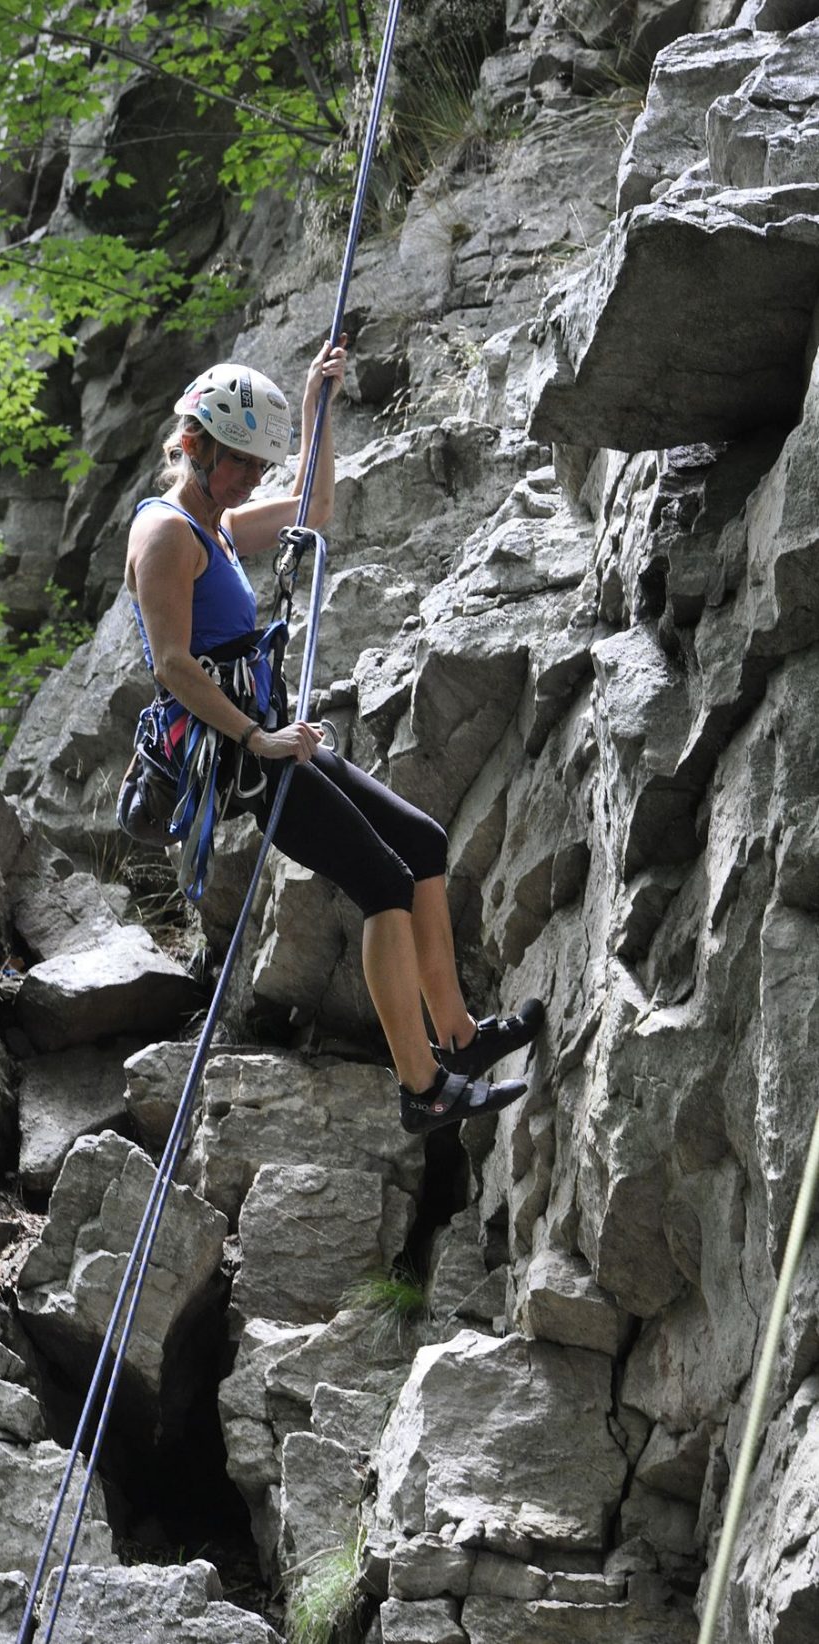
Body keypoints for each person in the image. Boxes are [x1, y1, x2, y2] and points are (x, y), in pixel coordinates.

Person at [124, 341, 543, 1134]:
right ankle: (422, 1088)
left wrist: (318, 407)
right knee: (381, 884)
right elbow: (175, 667)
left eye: (259, 462)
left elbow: (313, 512)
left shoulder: (214, 527)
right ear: (199, 447)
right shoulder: (168, 536)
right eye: (244, 461)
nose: (255, 476)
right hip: (236, 758)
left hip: (265, 738)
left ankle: (457, 1038)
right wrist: (259, 739)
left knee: (419, 843)